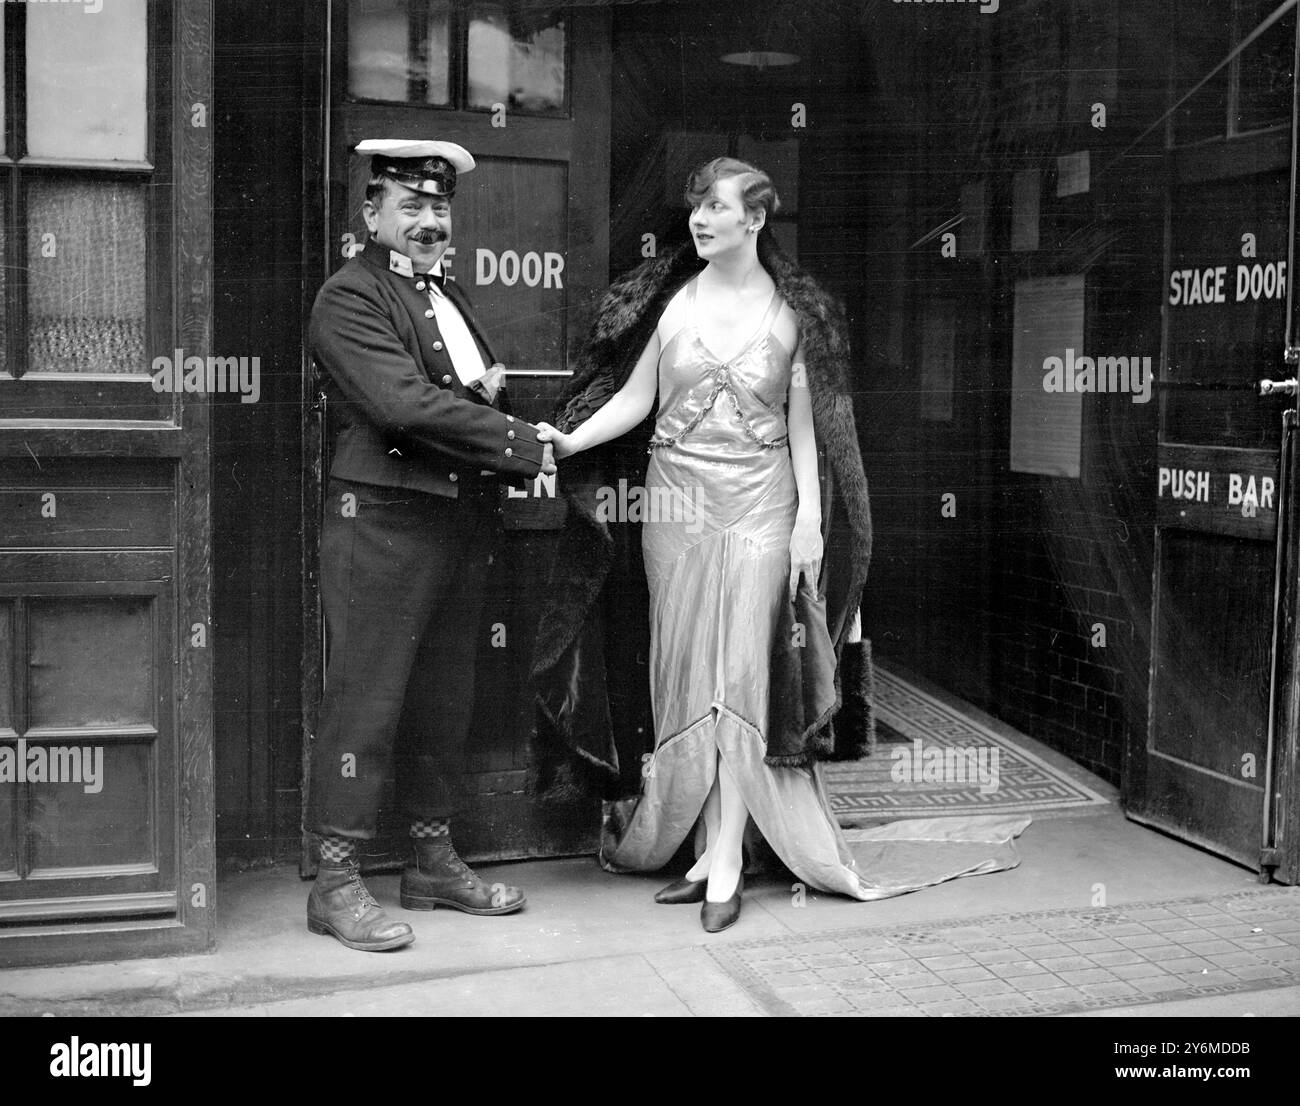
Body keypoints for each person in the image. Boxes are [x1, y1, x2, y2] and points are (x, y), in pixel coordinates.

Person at [534, 157, 875, 932]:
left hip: (762, 504)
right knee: (688, 674)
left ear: (755, 219)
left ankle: (725, 857)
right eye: (696, 206)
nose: (700, 218)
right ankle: (701, 844)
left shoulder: (795, 315)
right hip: (674, 505)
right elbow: (634, 398)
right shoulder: (673, 301)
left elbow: (806, 429)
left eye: (716, 207)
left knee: (744, 676)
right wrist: (569, 438)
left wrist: (811, 521)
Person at [305, 138, 556, 952]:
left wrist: (489, 410)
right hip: (379, 526)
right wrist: (523, 442)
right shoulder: (348, 298)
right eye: (409, 206)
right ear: (372, 215)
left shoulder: (445, 295)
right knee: (367, 701)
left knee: (444, 700)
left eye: (438, 208)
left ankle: (430, 862)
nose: (427, 221)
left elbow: (446, 401)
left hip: (454, 526)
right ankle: (337, 881)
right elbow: (403, 410)